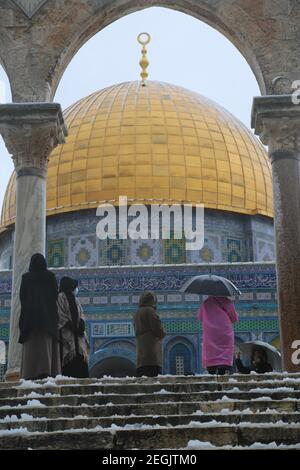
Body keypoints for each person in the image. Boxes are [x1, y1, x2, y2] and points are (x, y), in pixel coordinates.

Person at [19, 253, 61, 380]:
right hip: (47, 319)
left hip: (29, 320)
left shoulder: (26, 278)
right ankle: (46, 370)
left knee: (31, 348)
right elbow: (55, 296)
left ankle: (29, 373)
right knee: (45, 346)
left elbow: (23, 298)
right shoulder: (50, 277)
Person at [57, 277, 89, 378]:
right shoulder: (60, 298)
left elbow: (81, 314)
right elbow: (60, 315)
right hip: (67, 336)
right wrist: (71, 326)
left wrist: (82, 324)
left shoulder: (76, 299)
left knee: (80, 359)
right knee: (69, 364)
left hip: (78, 337)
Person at [197, 296, 238, 375]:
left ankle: (211, 370)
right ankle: (222, 371)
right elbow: (234, 318)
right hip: (224, 330)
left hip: (210, 332)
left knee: (211, 351)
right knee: (225, 350)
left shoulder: (206, 303)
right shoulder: (227, 301)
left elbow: (200, 317)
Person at [133, 291, 165, 377]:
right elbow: (157, 328)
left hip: (141, 352)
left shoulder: (137, 313)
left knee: (142, 375)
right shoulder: (150, 311)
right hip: (151, 351)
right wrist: (162, 334)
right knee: (152, 375)